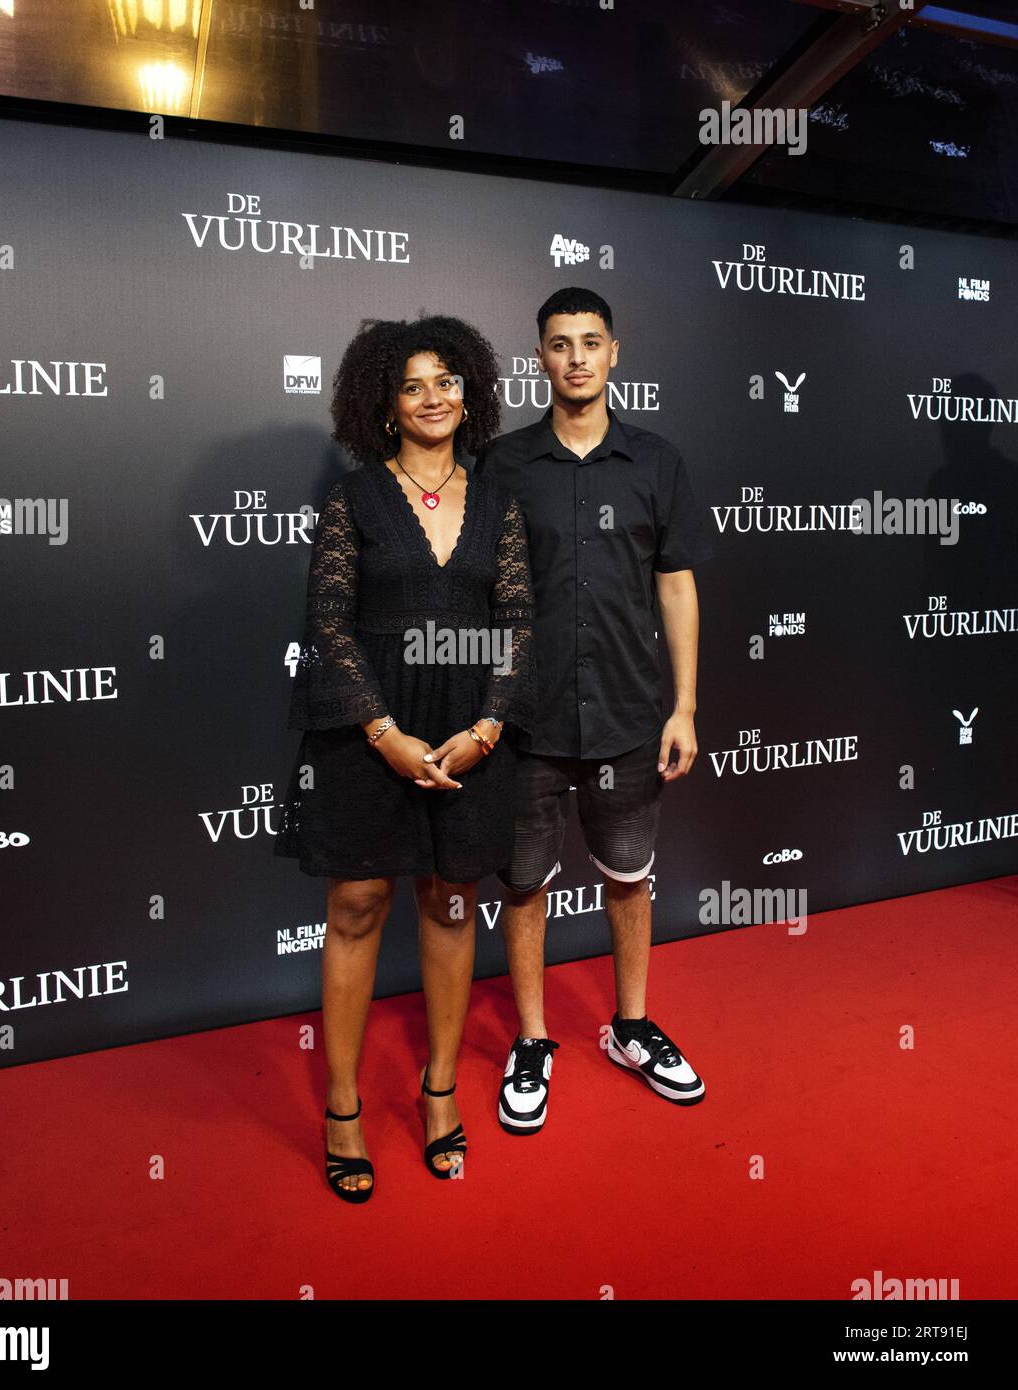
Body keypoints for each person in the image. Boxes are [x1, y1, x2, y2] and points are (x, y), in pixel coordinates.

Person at [275, 315, 536, 1202]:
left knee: (452, 904)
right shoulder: (353, 499)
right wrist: (385, 735)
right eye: (414, 385)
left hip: (470, 729)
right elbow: (330, 626)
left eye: (448, 382)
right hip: (365, 728)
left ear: (471, 397)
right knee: (354, 904)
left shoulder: (498, 502)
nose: (434, 398)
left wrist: (489, 726)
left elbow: (518, 624)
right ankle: (342, 1109)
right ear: (386, 405)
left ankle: (439, 1094)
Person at [475, 286, 713, 1135]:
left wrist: (683, 707)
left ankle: (632, 1026)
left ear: (615, 353)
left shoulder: (657, 462)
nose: (576, 356)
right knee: (525, 886)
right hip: (526, 720)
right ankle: (533, 1040)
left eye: (590, 342)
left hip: (627, 713)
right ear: (539, 357)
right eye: (559, 343)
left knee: (628, 880)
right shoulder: (502, 466)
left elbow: (676, 584)